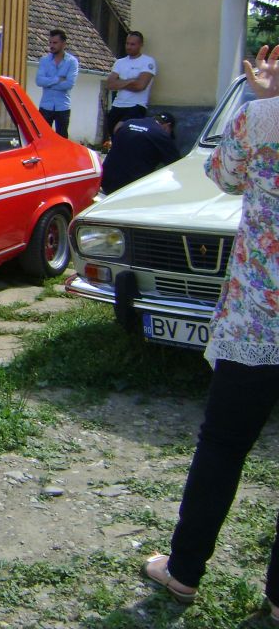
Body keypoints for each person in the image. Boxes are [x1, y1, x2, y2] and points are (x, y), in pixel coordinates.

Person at [141, 44, 279, 621]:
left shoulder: (263, 117)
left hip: (260, 319)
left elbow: (223, 175)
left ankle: (184, 571)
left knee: (222, 446)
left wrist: (264, 101)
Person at [99, 112, 180, 194]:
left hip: (106, 182)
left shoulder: (128, 123)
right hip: (131, 188)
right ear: (167, 126)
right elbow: (177, 165)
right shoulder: (161, 134)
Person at [105, 31, 157, 143]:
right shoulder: (119, 62)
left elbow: (140, 86)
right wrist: (131, 81)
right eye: (127, 43)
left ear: (140, 45)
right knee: (114, 139)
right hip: (117, 105)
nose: (129, 47)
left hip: (136, 106)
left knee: (121, 132)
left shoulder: (147, 61)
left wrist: (120, 83)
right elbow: (110, 84)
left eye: (132, 44)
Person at [35, 29, 79, 138]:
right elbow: (39, 81)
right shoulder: (44, 61)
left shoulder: (72, 62)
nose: (51, 45)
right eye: (50, 42)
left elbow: (69, 84)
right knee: (42, 138)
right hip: (46, 106)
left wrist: (48, 82)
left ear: (63, 44)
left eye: (55, 43)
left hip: (63, 107)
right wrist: (57, 79)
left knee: (62, 138)